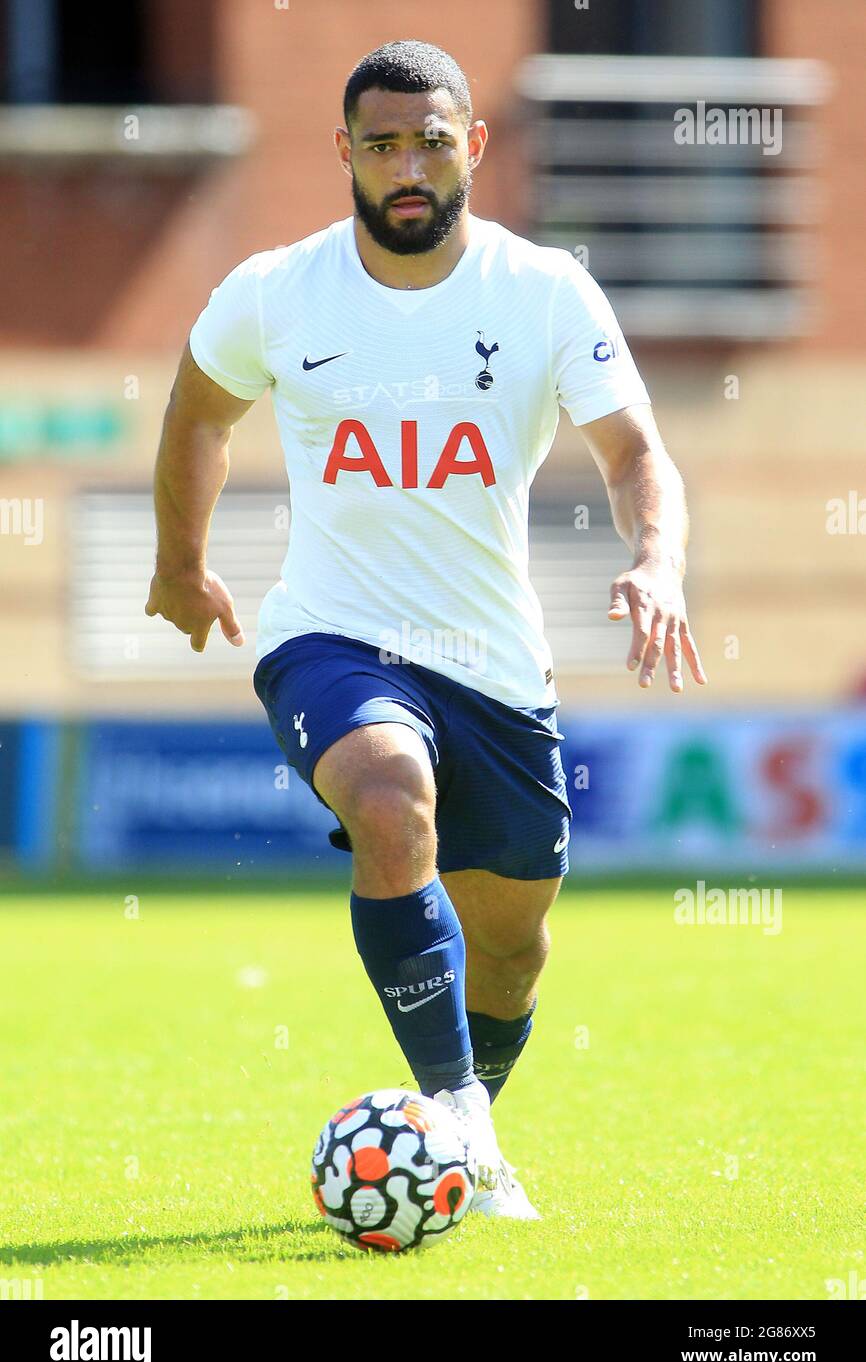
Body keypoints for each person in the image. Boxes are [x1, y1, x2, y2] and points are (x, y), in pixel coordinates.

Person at [145, 39, 706, 1219]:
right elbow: (199, 412)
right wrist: (182, 565)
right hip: (329, 635)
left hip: (494, 662)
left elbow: (632, 453)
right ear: (342, 152)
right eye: (383, 144)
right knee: (390, 800)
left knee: (511, 949)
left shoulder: (544, 291)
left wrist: (656, 556)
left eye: (431, 141)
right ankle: (459, 1124)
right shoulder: (273, 291)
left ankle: (460, 1127)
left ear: (474, 146)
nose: (408, 166)